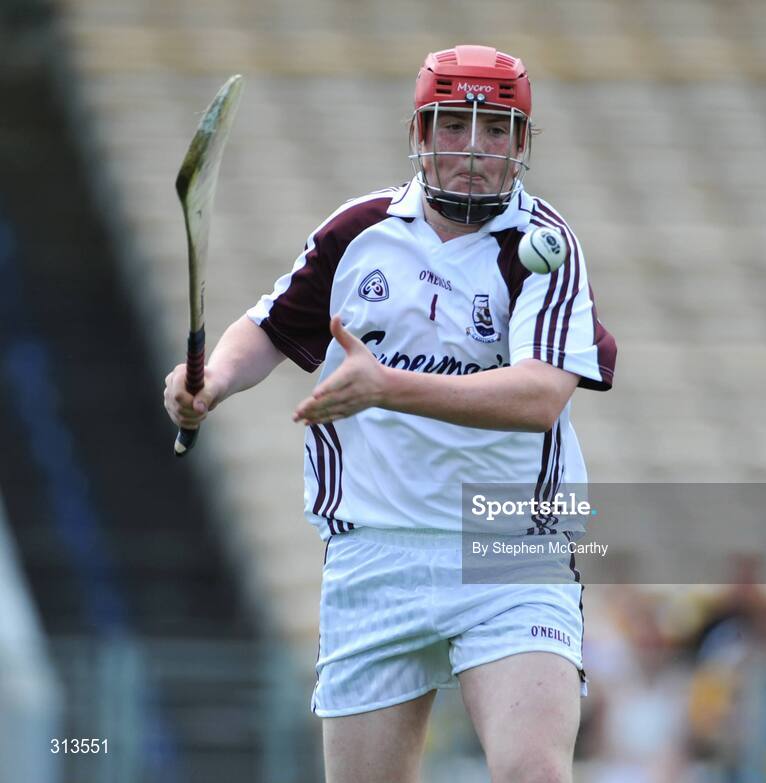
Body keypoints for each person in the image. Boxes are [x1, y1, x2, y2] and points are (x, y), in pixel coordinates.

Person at [164, 44, 616, 783]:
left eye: (496, 129)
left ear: (522, 144)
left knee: (533, 773)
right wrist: (208, 382)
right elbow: (271, 328)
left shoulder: (542, 246)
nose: (473, 148)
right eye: (453, 125)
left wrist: (385, 386)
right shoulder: (358, 231)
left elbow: (538, 398)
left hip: (509, 546)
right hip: (374, 552)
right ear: (420, 132)